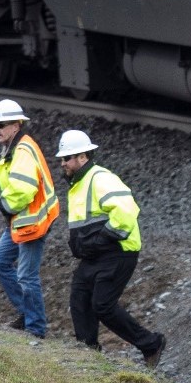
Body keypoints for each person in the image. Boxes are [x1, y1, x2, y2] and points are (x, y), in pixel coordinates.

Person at [54, 128, 166, 367]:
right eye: (61, 159)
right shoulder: (80, 183)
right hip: (97, 254)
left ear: (82, 157)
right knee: (80, 298)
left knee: (102, 305)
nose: (62, 163)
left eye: (66, 158)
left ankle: (151, 344)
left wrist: (100, 240)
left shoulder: (100, 178)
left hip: (118, 251)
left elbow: (126, 211)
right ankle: (88, 354)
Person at [0, 98, 59, 339]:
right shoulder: (15, 148)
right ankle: (27, 313)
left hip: (32, 222)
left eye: (1, 124)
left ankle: (35, 328)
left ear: (16, 125)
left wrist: (5, 205)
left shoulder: (23, 150)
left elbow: (24, 189)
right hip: (22, 220)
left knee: (26, 275)